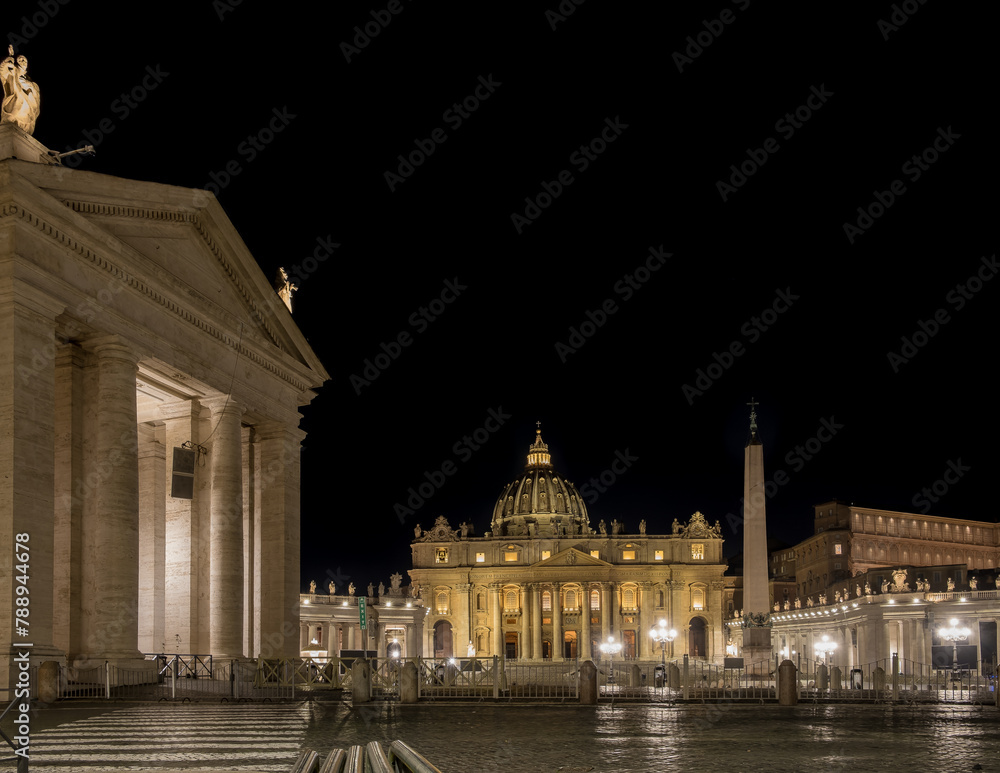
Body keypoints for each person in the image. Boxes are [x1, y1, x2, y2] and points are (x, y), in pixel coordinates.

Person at [1, 48, 41, 135]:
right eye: (20, 59)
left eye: (24, 59)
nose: (22, 61)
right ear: (17, 62)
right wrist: (9, 58)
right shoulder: (14, 71)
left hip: (29, 111)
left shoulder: (30, 81)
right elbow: (4, 71)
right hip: (16, 104)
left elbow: (36, 96)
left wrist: (30, 85)